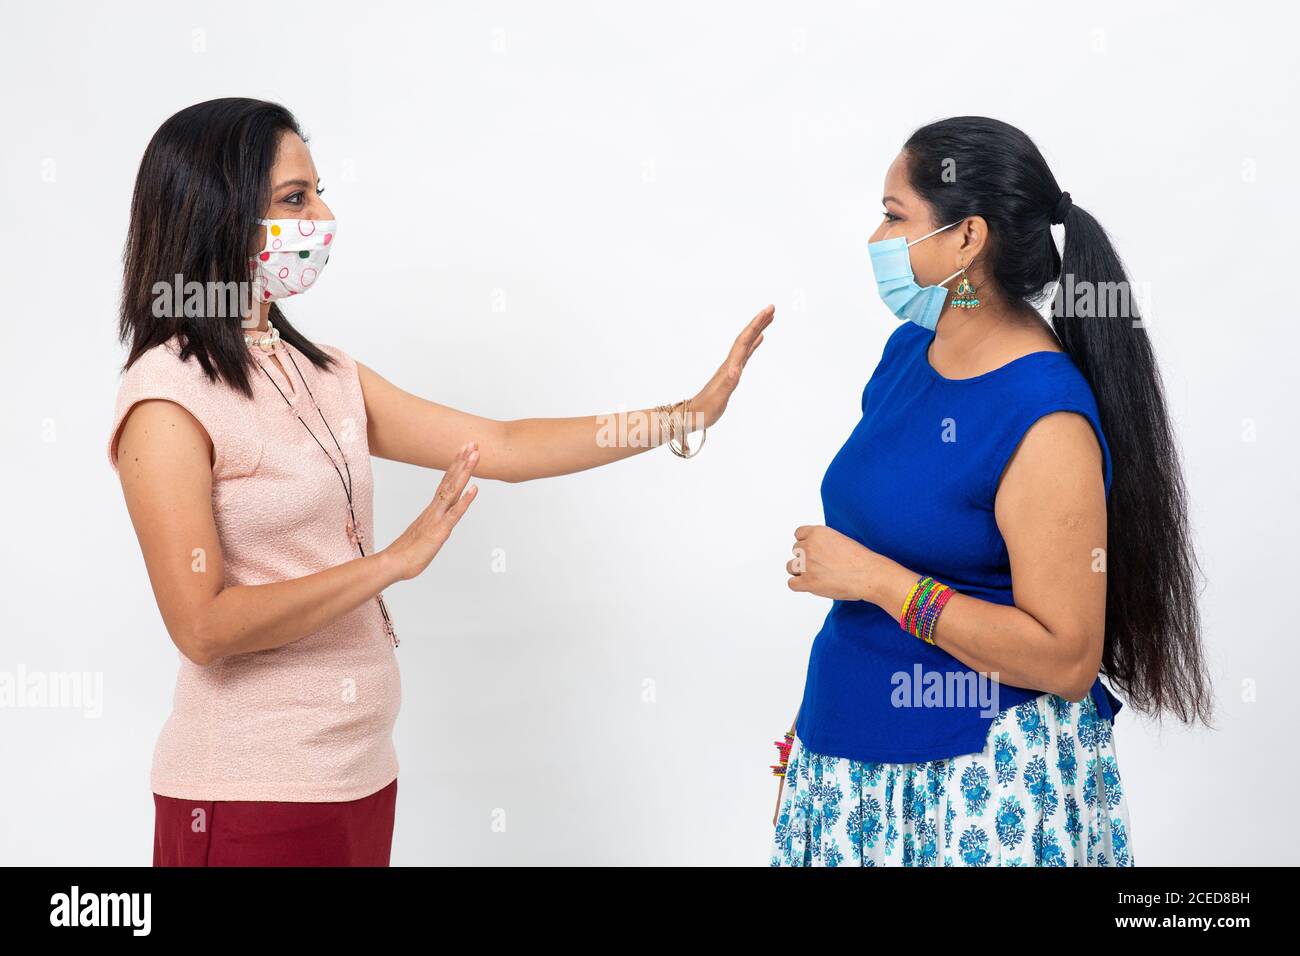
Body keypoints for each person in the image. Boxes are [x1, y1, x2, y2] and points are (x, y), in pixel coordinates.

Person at [109, 97, 773, 866]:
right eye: (296, 198)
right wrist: (389, 563)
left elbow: (501, 443)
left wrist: (681, 416)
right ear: (219, 215)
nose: (323, 214)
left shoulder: (323, 371)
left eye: (320, 191)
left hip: (357, 777)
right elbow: (201, 625)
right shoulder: (168, 398)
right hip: (249, 795)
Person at [770, 116, 1211, 867]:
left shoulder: (1043, 419)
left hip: (977, 789)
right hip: (847, 770)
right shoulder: (910, 352)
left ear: (967, 238)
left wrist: (877, 583)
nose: (876, 236)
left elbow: (1066, 659)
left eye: (894, 214)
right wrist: (809, 747)